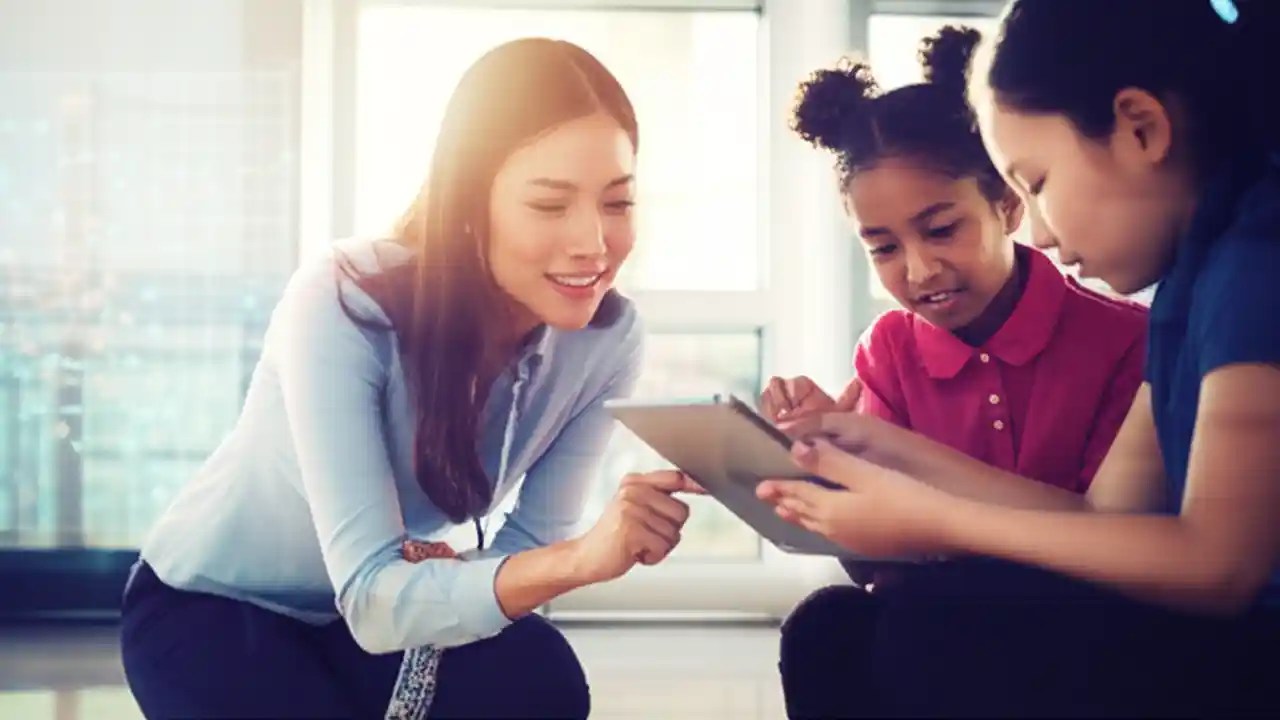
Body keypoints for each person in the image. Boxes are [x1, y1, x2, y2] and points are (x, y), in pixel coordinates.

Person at [119, 38, 700, 720]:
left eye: (617, 203)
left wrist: (532, 563)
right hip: (216, 606)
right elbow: (372, 598)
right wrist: (583, 559)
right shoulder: (342, 302)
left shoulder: (607, 341)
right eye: (549, 205)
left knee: (538, 676)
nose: (594, 245)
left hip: (375, 618)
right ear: (467, 203)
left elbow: (525, 555)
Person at [759, 0, 1280, 716]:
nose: (1033, 224)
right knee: (836, 630)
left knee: (935, 627)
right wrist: (883, 444)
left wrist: (933, 519)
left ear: (1142, 129)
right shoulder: (1190, 285)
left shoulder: (1255, 266)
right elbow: (1103, 517)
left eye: (1033, 184)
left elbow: (1221, 567)